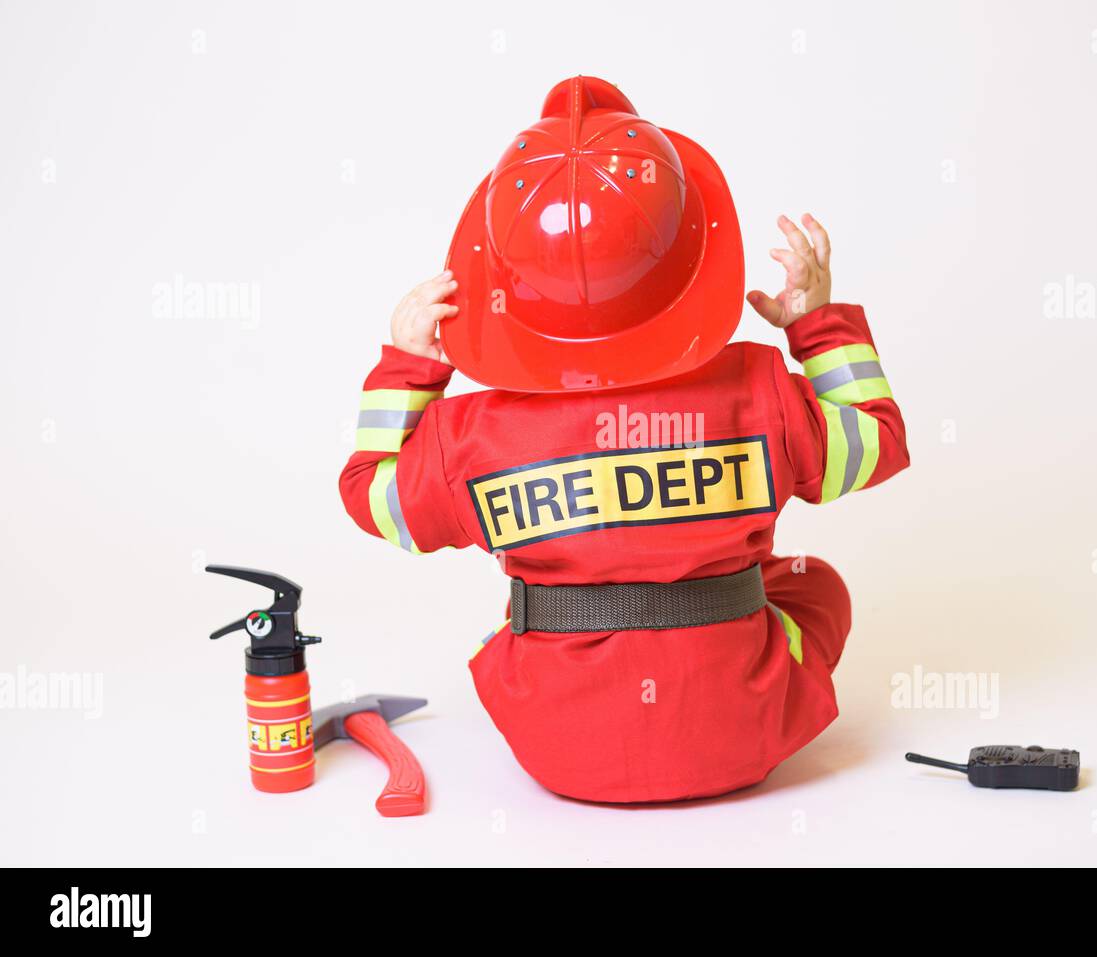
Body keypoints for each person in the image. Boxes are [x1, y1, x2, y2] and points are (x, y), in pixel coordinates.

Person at [340, 76, 909, 803]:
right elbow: (876, 439)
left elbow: (372, 496)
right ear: (685, 263)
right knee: (809, 580)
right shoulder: (756, 387)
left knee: (505, 637)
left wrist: (409, 369)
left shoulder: (470, 435)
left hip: (558, 749)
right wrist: (816, 323)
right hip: (747, 730)